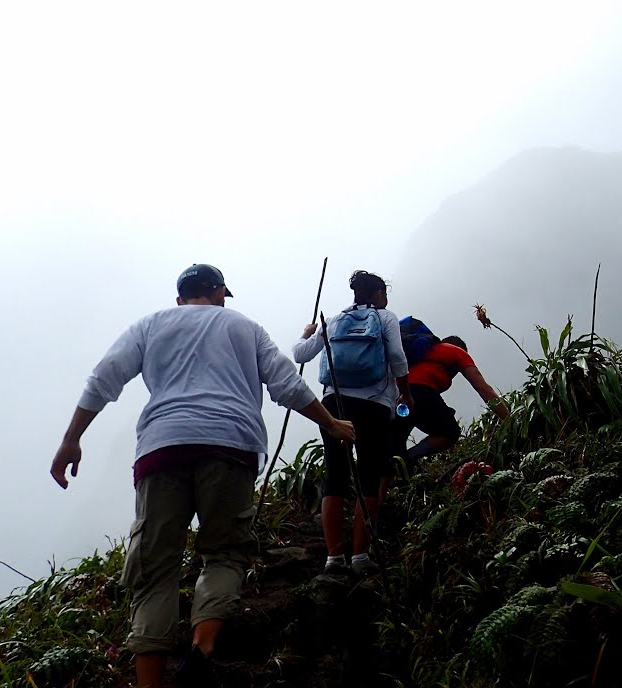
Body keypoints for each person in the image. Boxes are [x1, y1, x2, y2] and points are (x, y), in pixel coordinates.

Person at [49, 263, 356, 688]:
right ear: (219, 294)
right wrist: (331, 423)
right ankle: (202, 646)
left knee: (154, 569)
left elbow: (104, 377)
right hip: (230, 446)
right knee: (225, 554)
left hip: (162, 448)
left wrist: (71, 439)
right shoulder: (244, 327)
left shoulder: (150, 325)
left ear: (180, 299)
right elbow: (286, 383)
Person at [293, 270, 410, 577]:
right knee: (369, 473)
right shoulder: (385, 317)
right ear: (379, 295)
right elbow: (397, 358)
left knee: (335, 473)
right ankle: (360, 556)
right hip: (373, 404)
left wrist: (306, 333)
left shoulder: (332, 321)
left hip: (334, 404)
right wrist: (406, 394)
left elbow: (299, 355)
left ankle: (333, 558)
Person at [394, 335, 509, 463]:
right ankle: (407, 459)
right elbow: (484, 389)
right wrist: (509, 421)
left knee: (395, 445)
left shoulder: (423, 353)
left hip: (397, 396)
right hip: (421, 392)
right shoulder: (457, 352)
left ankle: (395, 466)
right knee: (449, 433)